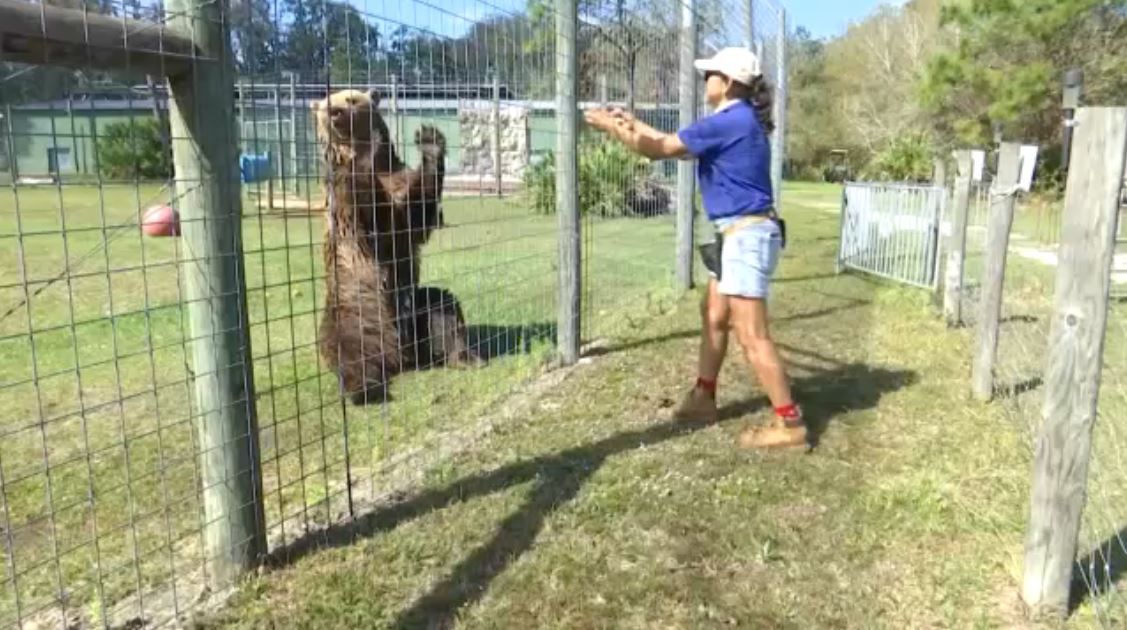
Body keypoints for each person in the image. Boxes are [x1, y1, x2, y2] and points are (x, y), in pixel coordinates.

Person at [583, 47, 805, 450]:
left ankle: (790, 424)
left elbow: (659, 149)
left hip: (745, 237)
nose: (705, 81)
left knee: (752, 335)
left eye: (710, 74)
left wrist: (610, 126)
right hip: (739, 233)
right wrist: (633, 123)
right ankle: (704, 397)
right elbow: (672, 143)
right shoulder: (736, 120)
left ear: (729, 82)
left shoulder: (729, 121)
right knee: (714, 313)